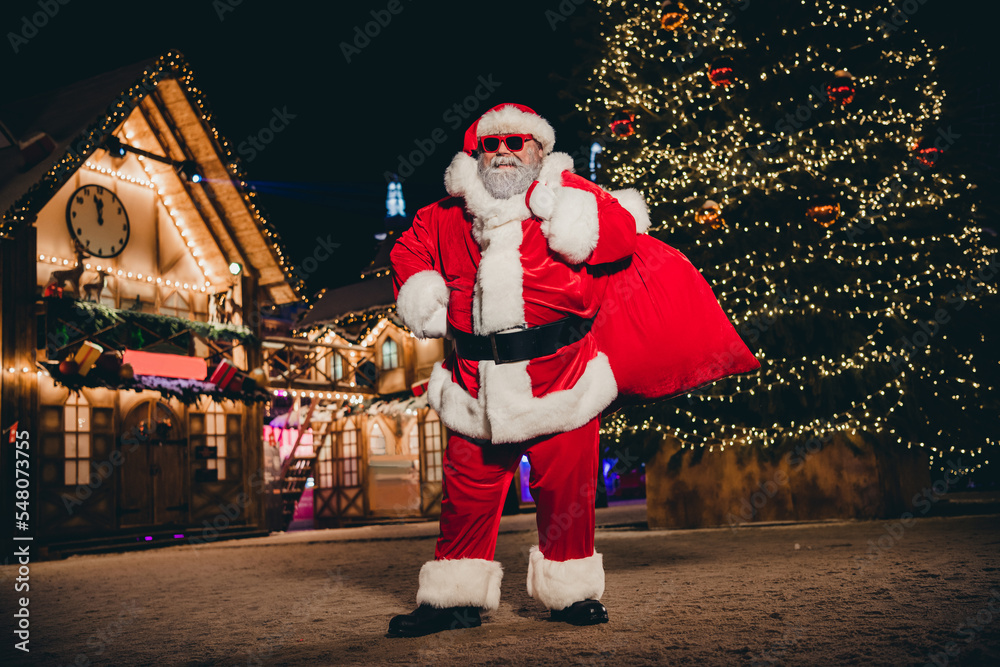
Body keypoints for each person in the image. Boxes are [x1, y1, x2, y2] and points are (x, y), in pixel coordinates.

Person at [387, 103, 757, 637]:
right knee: (467, 495)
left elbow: (622, 234)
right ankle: (453, 601)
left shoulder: (570, 196)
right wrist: (423, 289)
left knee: (568, 495)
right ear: (476, 153)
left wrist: (573, 207)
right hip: (474, 386)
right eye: (492, 144)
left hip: (561, 380)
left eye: (517, 142)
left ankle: (571, 594)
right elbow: (408, 249)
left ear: (539, 150)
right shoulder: (445, 215)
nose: (504, 152)